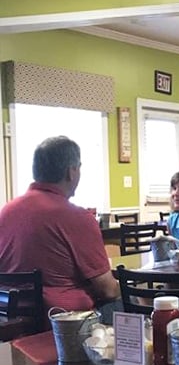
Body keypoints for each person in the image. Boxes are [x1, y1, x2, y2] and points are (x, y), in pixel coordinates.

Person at [0, 136, 121, 323]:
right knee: (127, 302)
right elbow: (108, 290)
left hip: (10, 316)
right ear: (71, 172)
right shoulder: (76, 217)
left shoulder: (7, 211)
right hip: (62, 321)